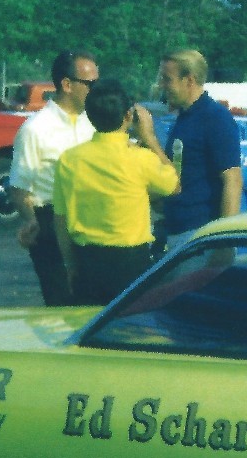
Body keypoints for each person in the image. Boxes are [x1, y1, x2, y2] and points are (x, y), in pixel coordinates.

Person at [51, 79, 178, 305]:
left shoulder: (69, 161)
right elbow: (174, 185)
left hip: (87, 260)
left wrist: (70, 265)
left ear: (89, 116)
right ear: (128, 116)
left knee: (88, 331)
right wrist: (149, 138)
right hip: (131, 262)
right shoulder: (141, 159)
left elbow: (61, 219)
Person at [7, 50, 99, 306]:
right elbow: (19, 187)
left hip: (90, 222)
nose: (96, 90)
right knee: (62, 303)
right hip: (50, 223)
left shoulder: (93, 124)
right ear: (67, 84)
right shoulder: (35, 129)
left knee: (91, 306)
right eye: (91, 84)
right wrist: (32, 223)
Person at [156, 49, 243, 253]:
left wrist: (225, 245)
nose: (162, 85)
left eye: (167, 79)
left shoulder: (215, 118)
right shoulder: (186, 117)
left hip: (200, 236)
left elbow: (233, 179)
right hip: (179, 233)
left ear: (189, 80)